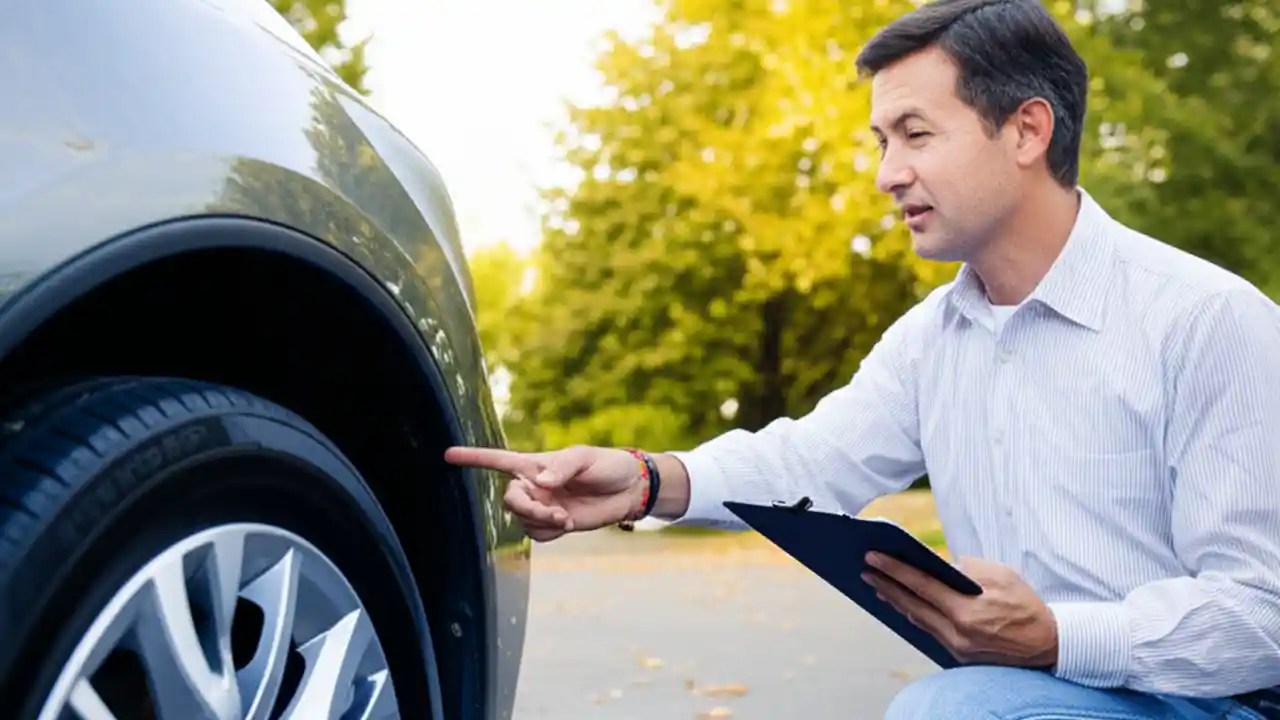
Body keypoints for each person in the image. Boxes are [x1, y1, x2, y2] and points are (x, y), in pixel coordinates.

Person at [446, 0, 1280, 717]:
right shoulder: (932, 338)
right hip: (1032, 695)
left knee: (947, 709)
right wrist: (648, 479)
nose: (888, 174)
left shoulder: (1207, 322)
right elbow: (812, 459)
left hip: (1212, 702)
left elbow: (1264, 613)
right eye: (881, 140)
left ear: (1027, 129)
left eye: (915, 134)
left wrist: (1061, 635)